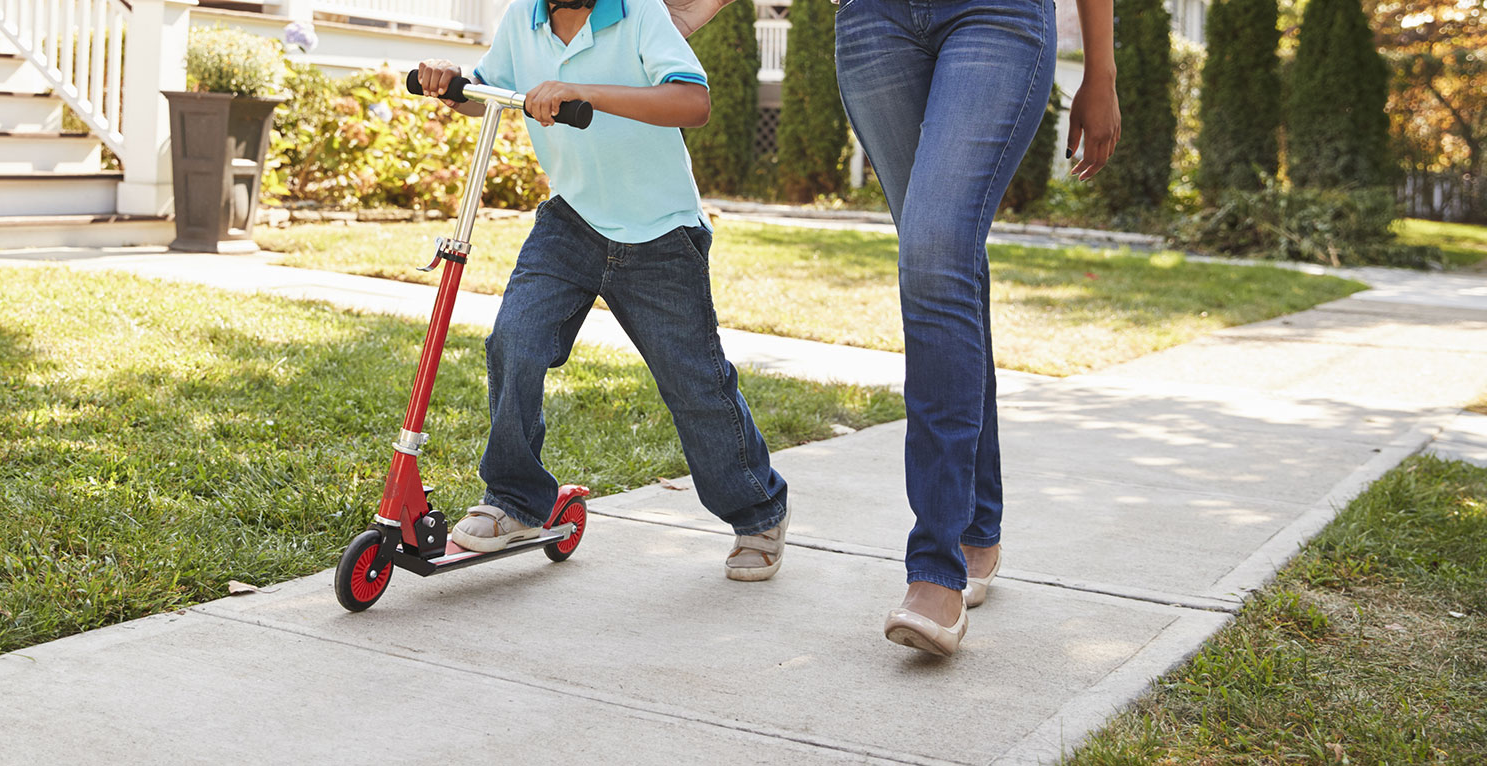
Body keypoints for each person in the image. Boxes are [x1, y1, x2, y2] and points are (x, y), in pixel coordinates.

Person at [663, 0, 1121, 654]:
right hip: (875, 22)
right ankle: (975, 529)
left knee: (936, 254)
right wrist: (679, 14)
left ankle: (936, 567)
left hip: (995, 15)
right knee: (945, 266)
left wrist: (1100, 71)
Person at [413, 0, 794, 582]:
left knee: (695, 383)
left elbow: (694, 102)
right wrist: (448, 82)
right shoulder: (525, 19)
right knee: (514, 341)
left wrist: (580, 90)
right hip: (572, 222)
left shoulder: (639, 13)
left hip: (662, 232)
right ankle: (515, 500)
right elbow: (483, 92)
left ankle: (758, 511)